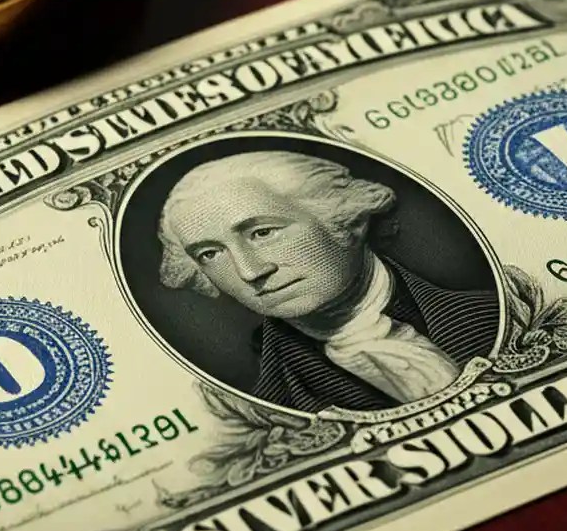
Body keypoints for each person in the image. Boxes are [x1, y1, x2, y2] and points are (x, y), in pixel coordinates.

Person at [156, 150, 499, 413]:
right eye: (210, 255)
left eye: (262, 232)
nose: (250, 272)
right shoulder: (278, 412)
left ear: (345, 218)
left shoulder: (498, 313)